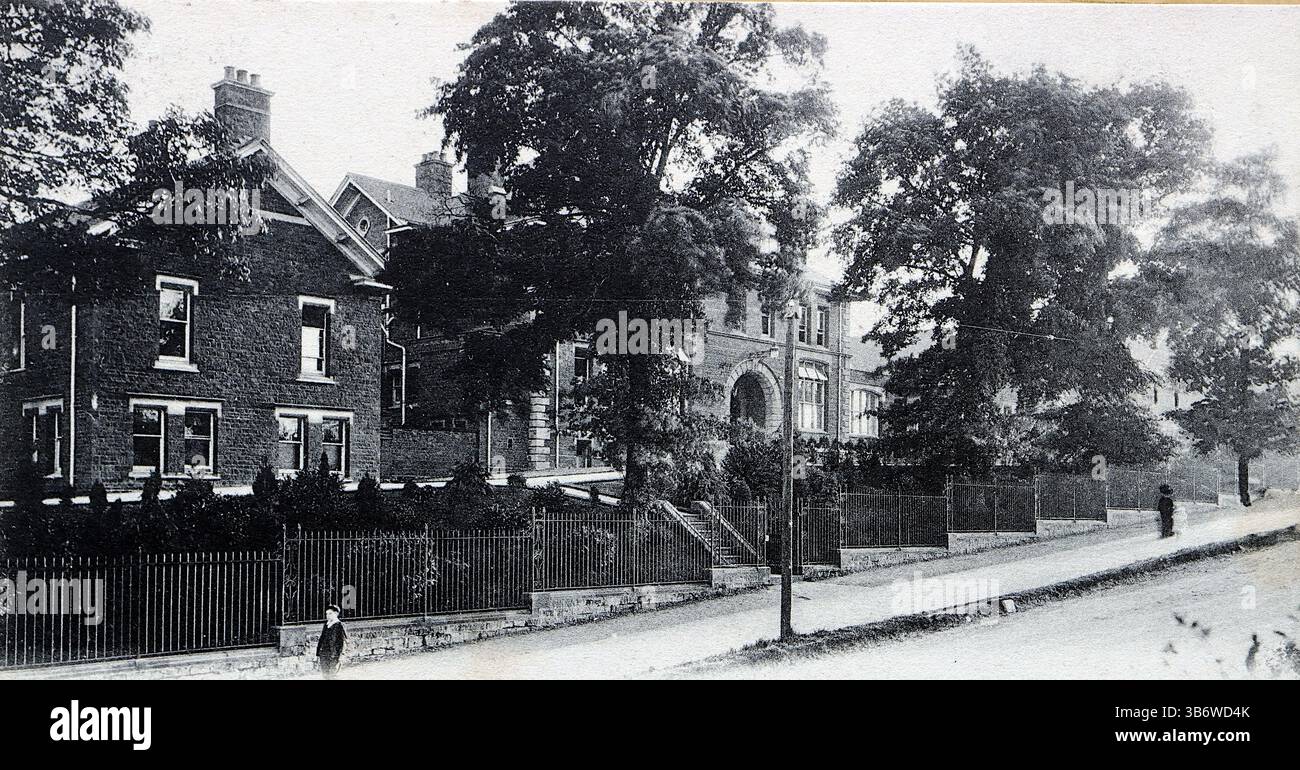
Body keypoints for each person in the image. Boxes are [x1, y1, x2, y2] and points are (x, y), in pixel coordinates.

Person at [316, 604, 347, 679]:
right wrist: (318, 653)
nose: (328, 616)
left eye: (330, 613)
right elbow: (321, 639)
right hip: (324, 654)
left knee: (332, 675)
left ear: (336, 614)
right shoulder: (326, 625)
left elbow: (343, 642)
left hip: (334, 655)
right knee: (325, 674)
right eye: (326, 614)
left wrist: (340, 655)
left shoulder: (340, 625)